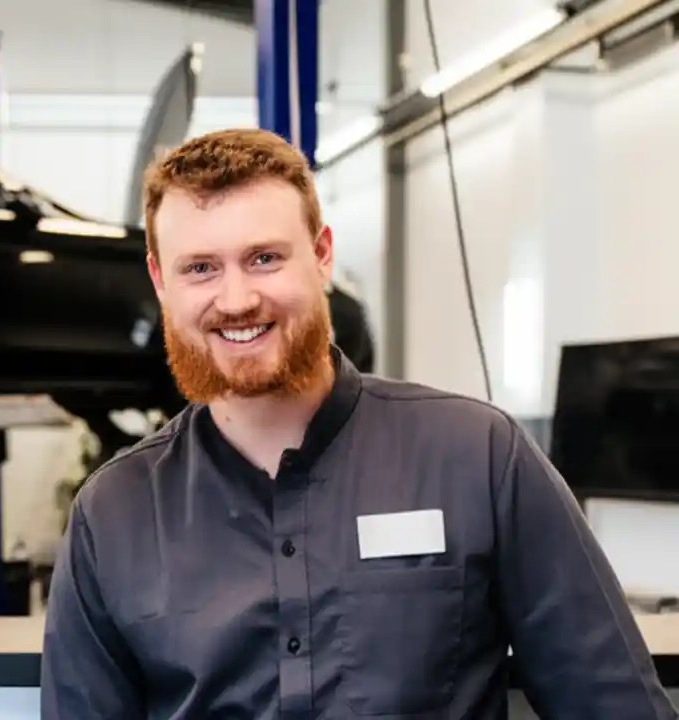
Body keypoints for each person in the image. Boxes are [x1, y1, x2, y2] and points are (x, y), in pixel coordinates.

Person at [40, 128, 677, 718]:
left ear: (321, 256)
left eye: (264, 258)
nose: (235, 300)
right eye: (200, 267)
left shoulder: (478, 457)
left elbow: (614, 705)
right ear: (160, 280)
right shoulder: (113, 514)